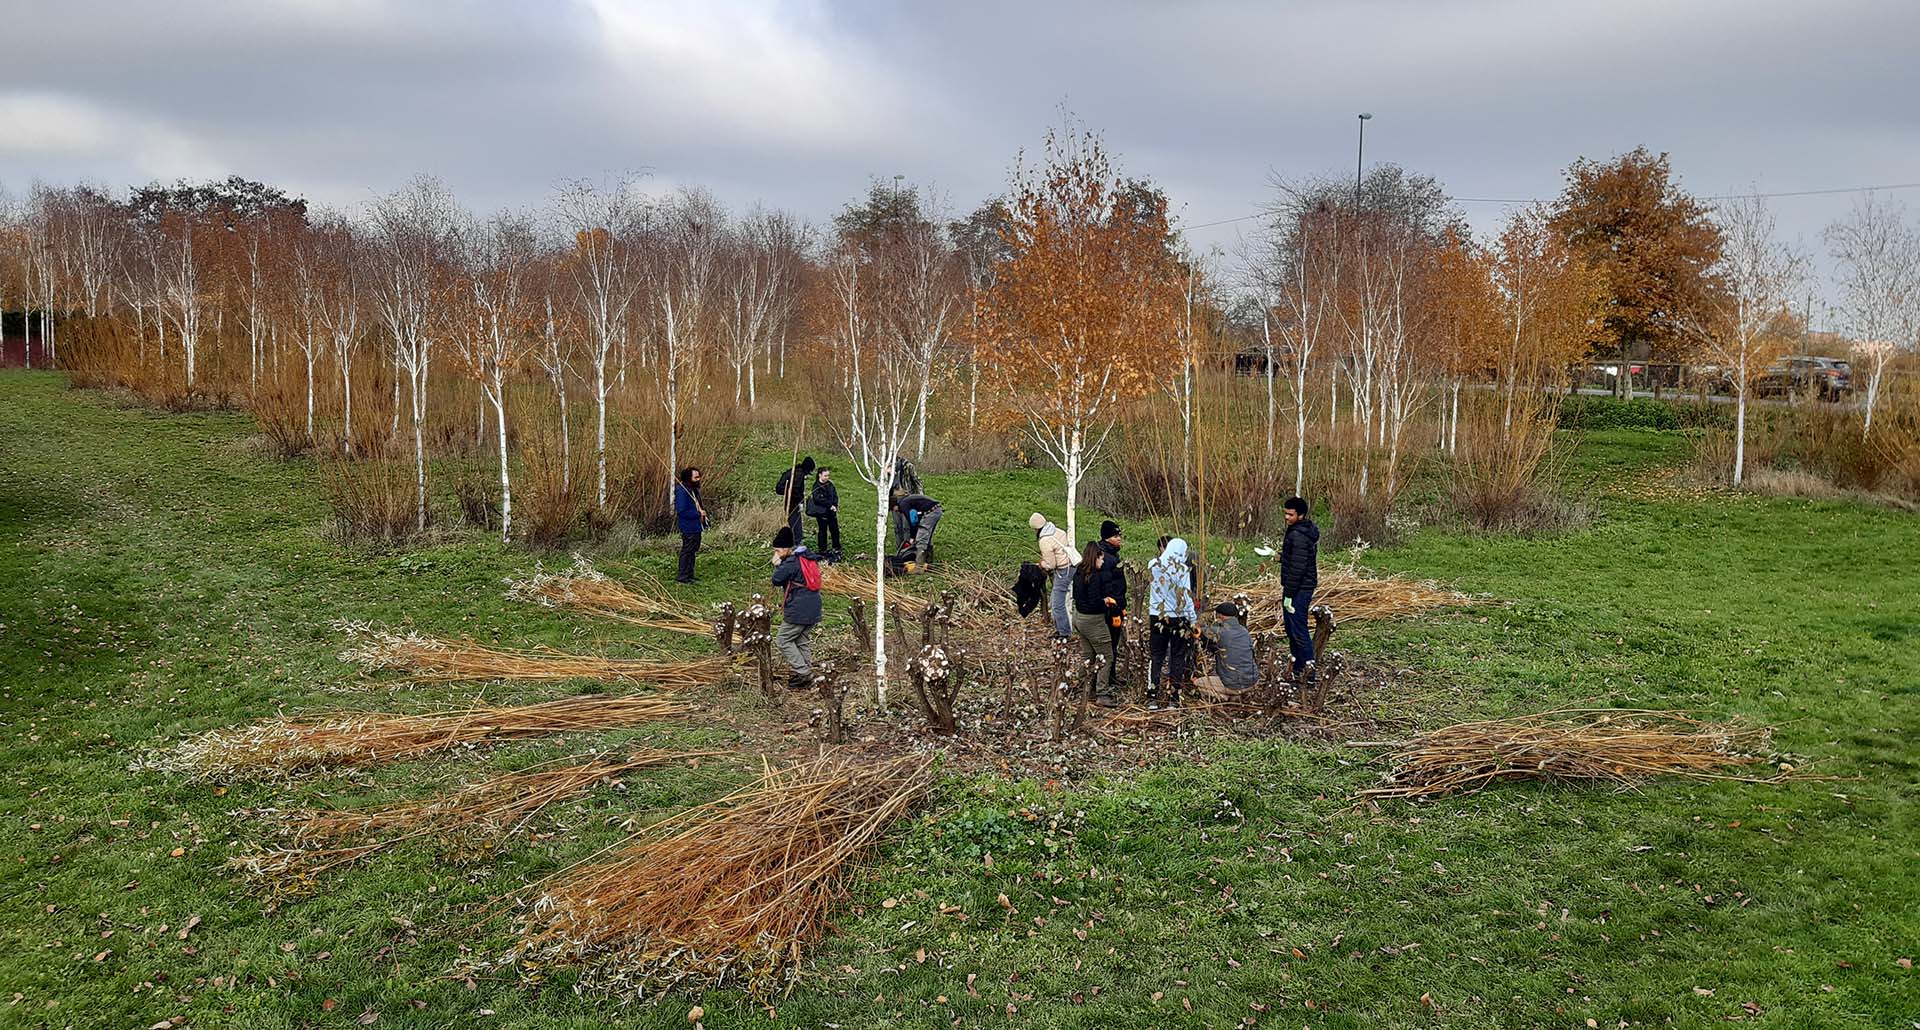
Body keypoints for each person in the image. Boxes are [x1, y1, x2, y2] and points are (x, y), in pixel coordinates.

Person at [769, 525, 823, 690]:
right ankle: (805, 672)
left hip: (799, 609)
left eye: (777, 550)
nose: (776, 553)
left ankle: (803, 672)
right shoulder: (806, 557)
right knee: (801, 640)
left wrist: (778, 564)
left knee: (783, 640)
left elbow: (776, 579)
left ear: (786, 549)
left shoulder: (791, 563)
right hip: (813, 606)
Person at [1147, 536, 1197, 708]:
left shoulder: (1153, 565)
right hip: (1178, 617)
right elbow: (1186, 596)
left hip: (1157, 615)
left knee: (1156, 656)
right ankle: (1174, 699)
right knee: (1177, 656)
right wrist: (1193, 619)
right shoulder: (1182, 570)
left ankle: (1152, 696)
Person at [1069, 542, 1120, 706]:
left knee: (1088, 654)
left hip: (1078, 617)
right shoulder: (1094, 577)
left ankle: (1083, 687)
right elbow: (1094, 602)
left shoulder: (1078, 572)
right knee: (1106, 656)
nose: (1103, 562)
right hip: (1093, 621)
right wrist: (1106, 601)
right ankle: (1102, 692)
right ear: (1095, 557)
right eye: (1101, 559)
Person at [1280, 495, 1321, 678]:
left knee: (1298, 630)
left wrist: (1289, 594)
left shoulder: (1298, 535)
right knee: (1292, 629)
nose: (1287, 517)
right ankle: (1297, 667)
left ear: (1301, 515)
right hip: (1297, 587)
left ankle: (1308, 673)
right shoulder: (1300, 531)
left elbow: (1298, 569)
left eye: (1290, 514)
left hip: (1299, 589)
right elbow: (1297, 558)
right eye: (1285, 513)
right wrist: (1280, 557)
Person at [1030, 512, 1077, 638]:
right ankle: (1064, 628)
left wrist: (1041, 564)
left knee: (1057, 604)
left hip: (1063, 571)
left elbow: (1050, 564)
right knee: (1064, 601)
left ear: (1036, 528)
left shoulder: (1044, 540)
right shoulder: (1059, 531)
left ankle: (1064, 633)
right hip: (1072, 566)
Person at [1195, 602, 1259, 697]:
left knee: (1198, 683)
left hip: (1233, 685)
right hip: (1252, 682)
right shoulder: (1244, 631)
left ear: (1220, 616)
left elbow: (1199, 631)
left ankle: (1225, 697)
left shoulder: (1218, 631)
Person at [1094, 520, 1128, 687]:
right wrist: (1116, 607)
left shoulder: (1112, 554)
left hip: (1115, 604)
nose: (1119, 538)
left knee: (1111, 644)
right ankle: (1107, 679)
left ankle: (1108, 677)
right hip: (1110, 608)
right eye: (1115, 536)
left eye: (1119, 535)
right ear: (1107, 538)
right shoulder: (1106, 558)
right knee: (1110, 644)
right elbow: (1109, 586)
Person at [672, 466, 709, 584]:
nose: (698, 479)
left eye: (699, 477)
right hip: (688, 527)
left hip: (696, 526)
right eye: (696, 477)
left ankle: (690, 574)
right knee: (687, 551)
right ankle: (683, 576)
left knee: (692, 551)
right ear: (689, 479)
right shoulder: (683, 491)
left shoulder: (693, 490)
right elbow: (681, 511)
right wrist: (698, 514)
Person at [892, 492, 942, 569]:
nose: (895, 511)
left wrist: (912, 537)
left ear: (894, 506)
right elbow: (916, 517)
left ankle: (919, 566)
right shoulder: (906, 501)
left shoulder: (903, 506)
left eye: (893, 509)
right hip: (936, 509)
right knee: (927, 536)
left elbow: (912, 522)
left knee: (921, 538)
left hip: (930, 512)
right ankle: (928, 560)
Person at [776, 455, 816, 552]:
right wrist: (800, 502)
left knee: (794, 522)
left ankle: (795, 542)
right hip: (792, 503)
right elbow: (796, 490)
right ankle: (796, 544)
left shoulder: (794, 471)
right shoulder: (799, 474)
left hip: (790, 502)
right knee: (795, 523)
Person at [807, 467, 841, 560]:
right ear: (820, 475)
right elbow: (818, 499)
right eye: (825, 476)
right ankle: (823, 549)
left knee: (835, 530)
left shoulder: (830, 484)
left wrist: (835, 505)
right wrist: (830, 505)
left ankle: (836, 547)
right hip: (822, 513)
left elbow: (835, 496)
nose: (827, 477)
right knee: (823, 531)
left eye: (828, 475)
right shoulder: (816, 486)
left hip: (831, 512)